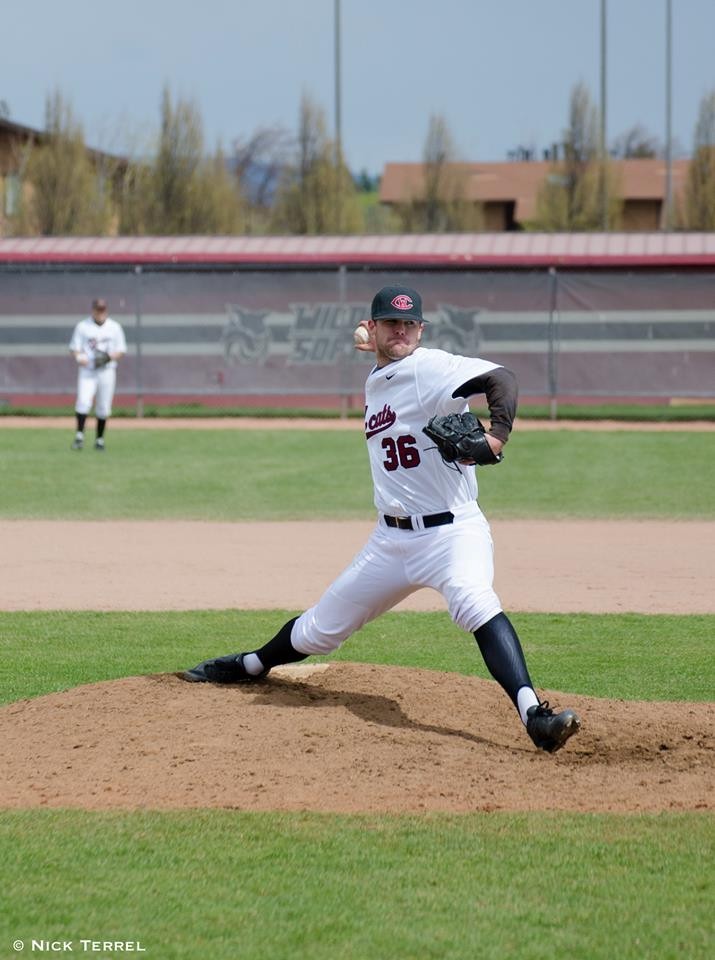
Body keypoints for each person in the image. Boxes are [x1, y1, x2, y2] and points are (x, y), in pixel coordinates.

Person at [182, 284, 580, 753]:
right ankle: (249, 664)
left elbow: (502, 379)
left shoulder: (428, 366)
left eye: (410, 324)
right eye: (392, 323)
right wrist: (381, 351)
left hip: (452, 532)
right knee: (319, 630)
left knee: (474, 602)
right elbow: (389, 367)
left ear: (421, 329)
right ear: (372, 328)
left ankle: (534, 715)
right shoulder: (377, 378)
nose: (403, 331)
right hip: (389, 542)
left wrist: (496, 438)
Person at [68, 298, 127, 451]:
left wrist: (107, 357)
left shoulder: (114, 327)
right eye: (98, 309)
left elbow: (121, 350)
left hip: (106, 371)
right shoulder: (83, 326)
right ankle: (79, 436)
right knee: (83, 401)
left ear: (106, 310)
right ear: (93, 309)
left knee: (104, 406)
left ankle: (99, 440)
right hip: (88, 370)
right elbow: (75, 348)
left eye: (103, 309)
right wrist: (79, 357)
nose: (100, 312)